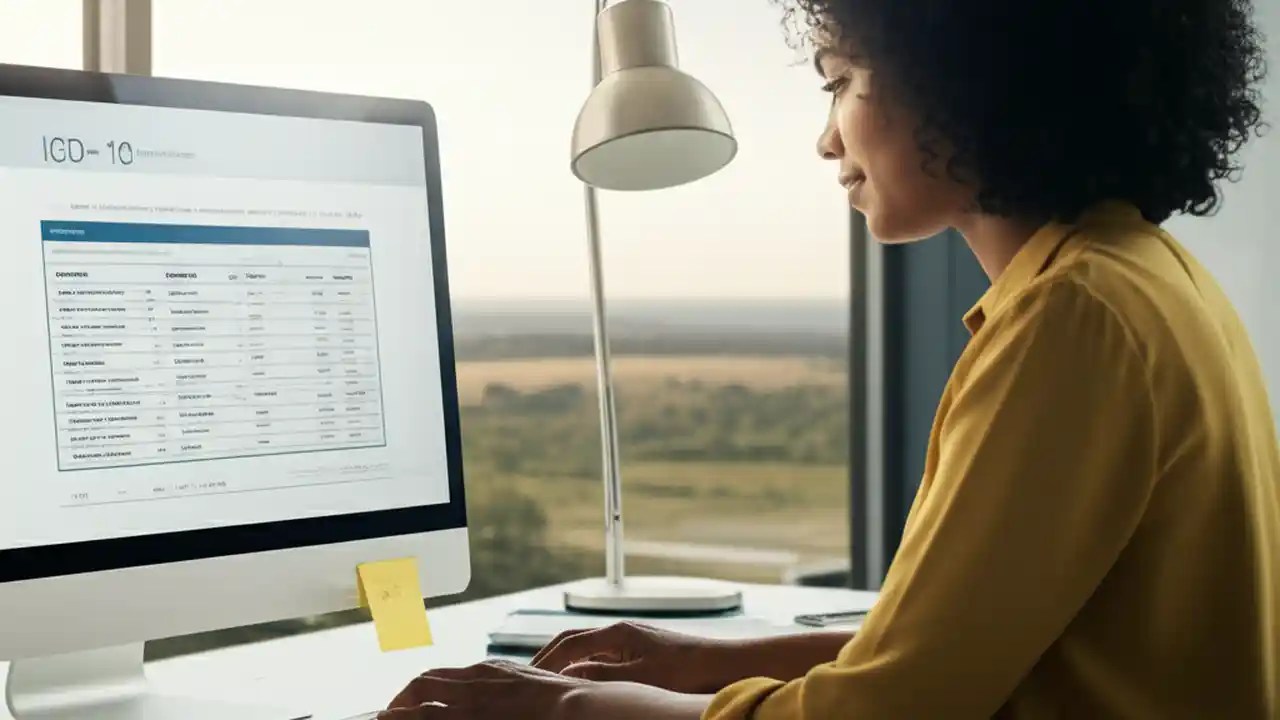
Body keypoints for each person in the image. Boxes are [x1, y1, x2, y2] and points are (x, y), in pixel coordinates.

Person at [381, 0, 1278, 717]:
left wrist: (570, 708)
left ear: (962, 78)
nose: (827, 139)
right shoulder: (1147, 278)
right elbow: (947, 652)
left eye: (840, 81)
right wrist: (698, 660)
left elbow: (887, 713)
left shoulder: (1071, 320)